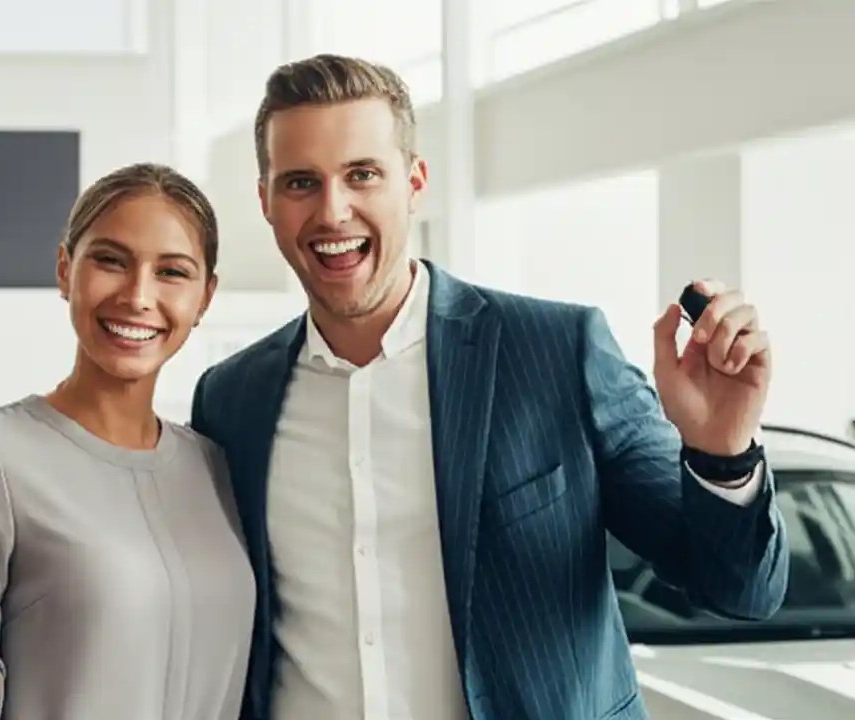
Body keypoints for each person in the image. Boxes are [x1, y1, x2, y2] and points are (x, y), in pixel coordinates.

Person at [189, 54, 788, 720]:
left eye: (363, 174)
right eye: (301, 182)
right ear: (266, 201)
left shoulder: (557, 351)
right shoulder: (230, 400)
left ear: (414, 183)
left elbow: (740, 590)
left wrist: (722, 453)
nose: (333, 211)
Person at [0, 162, 255, 720]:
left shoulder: (213, 464)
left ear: (205, 297)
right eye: (111, 261)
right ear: (66, 269)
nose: (138, 296)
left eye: (171, 272)